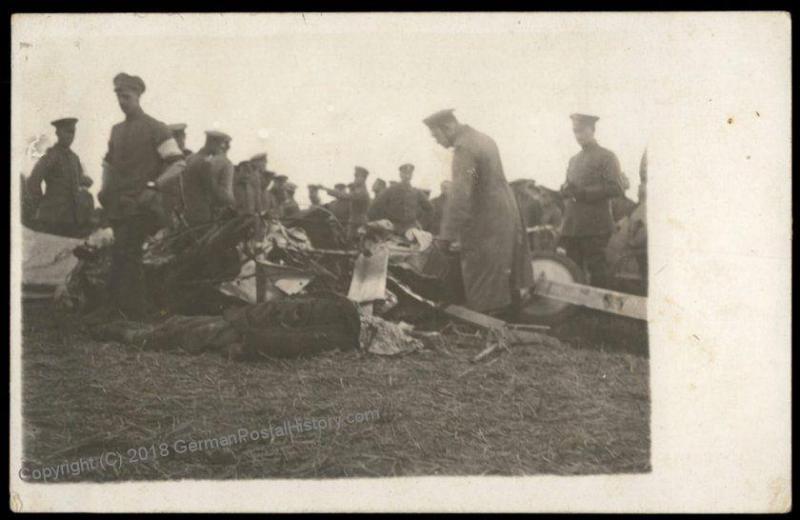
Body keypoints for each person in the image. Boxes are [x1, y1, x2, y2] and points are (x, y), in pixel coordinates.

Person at [422, 108, 532, 316]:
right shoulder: (483, 139)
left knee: (483, 271)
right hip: (505, 210)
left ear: (448, 127)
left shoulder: (465, 148)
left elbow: (462, 191)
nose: (436, 141)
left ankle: (490, 322)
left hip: (488, 217)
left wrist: (446, 236)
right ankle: (508, 313)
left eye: (436, 135)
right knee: (502, 270)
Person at [97, 73, 187, 320]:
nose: (122, 101)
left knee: (128, 254)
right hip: (118, 205)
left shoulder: (155, 127)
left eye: (126, 96)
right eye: (118, 97)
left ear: (138, 96)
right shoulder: (116, 130)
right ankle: (119, 309)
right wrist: (104, 189)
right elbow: (108, 163)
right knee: (120, 255)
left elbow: (178, 164)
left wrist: (154, 186)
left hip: (141, 206)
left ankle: (135, 312)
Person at [559, 113, 623, 288]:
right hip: (573, 225)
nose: (578, 135)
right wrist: (565, 189)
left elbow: (616, 188)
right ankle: (579, 308)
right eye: (575, 132)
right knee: (573, 269)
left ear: (592, 130)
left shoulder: (607, 156)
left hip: (596, 225)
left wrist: (585, 193)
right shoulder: (573, 160)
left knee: (598, 270)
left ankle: (601, 311)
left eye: (581, 131)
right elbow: (568, 185)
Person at [26, 117, 94, 237]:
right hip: (51, 219)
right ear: (58, 133)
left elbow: (78, 180)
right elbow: (33, 182)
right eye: (67, 131)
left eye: (72, 132)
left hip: (71, 219)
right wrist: (42, 204)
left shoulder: (74, 158)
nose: (70, 135)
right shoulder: (51, 155)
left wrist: (86, 181)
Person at [181, 130, 236, 226]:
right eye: (220, 145)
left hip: (185, 212)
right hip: (202, 214)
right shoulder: (206, 164)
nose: (221, 149)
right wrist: (231, 202)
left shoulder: (189, 159)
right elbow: (214, 192)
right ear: (214, 143)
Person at [367, 163, 433, 234]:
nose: (407, 176)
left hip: (411, 230)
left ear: (412, 176)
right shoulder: (391, 190)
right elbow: (374, 208)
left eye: (409, 174)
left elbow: (430, 209)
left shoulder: (416, 192)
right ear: (400, 175)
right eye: (405, 173)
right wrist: (382, 222)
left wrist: (421, 224)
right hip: (392, 229)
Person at [320, 166, 371, 241]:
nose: (355, 179)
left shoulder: (362, 192)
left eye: (357, 176)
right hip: (355, 222)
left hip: (358, 223)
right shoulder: (359, 191)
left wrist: (325, 189)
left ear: (363, 178)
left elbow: (345, 196)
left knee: (354, 245)